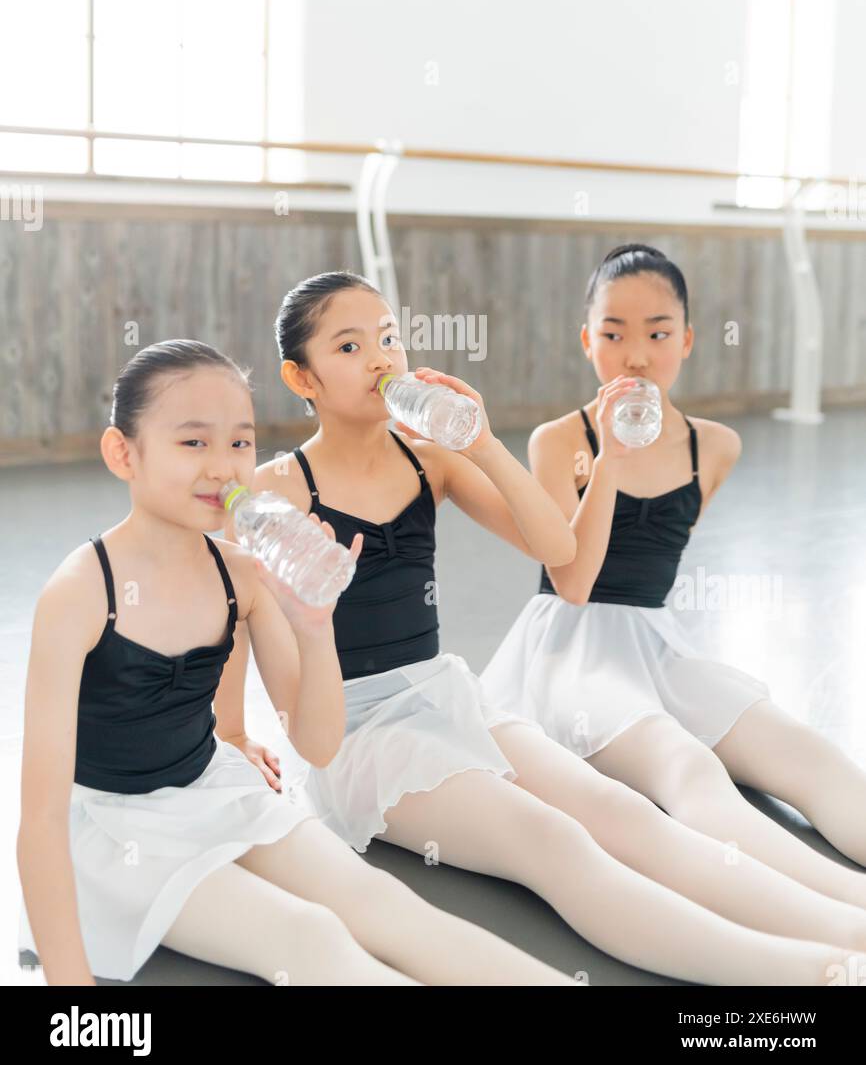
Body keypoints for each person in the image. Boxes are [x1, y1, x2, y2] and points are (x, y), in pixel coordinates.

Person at [215, 271, 866, 986]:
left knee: (621, 812)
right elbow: (232, 615)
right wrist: (236, 732)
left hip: (447, 695)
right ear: (298, 376)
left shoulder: (430, 462)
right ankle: (815, 972)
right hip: (359, 737)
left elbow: (558, 551)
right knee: (555, 843)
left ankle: (851, 921)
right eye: (349, 346)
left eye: (390, 339)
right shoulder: (274, 490)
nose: (381, 360)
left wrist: (484, 442)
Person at [16, 338, 573, 986]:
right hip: (118, 828)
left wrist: (314, 629)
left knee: (384, 904)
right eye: (193, 443)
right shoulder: (79, 591)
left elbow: (319, 743)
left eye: (240, 443)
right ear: (123, 453)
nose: (222, 467)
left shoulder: (243, 575)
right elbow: (41, 820)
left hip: (214, 791)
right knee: (310, 938)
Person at [480, 242, 866, 910]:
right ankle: (844, 910)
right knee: (689, 768)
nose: (635, 355)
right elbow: (573, 583)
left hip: (659, 646)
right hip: (570, 653)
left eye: (657, 333)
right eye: (613, 334)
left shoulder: (714, 445)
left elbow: (656, 569)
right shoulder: (559, 440)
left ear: (685, 341)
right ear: (586, 341)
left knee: (805, 751)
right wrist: (609, 458)